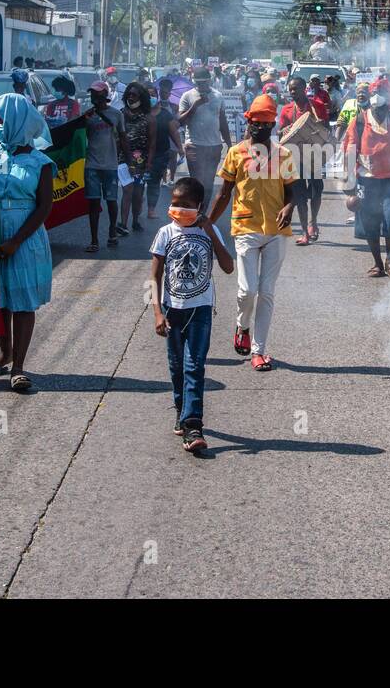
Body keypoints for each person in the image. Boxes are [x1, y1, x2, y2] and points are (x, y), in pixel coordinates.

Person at [208, 94, 298, 370]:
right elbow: (224, 193)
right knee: (248, 291)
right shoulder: (236, 153)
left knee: (267, 292)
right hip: (246, 226)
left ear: (273, 126)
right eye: (255, 124)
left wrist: (289, 207)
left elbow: (292, 192)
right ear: (248, 122)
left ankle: (259, 351)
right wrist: (207, 224)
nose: (259, 129)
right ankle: (241, 326)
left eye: (266, 124)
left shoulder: (283, 154)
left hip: (276, 231)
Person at [0, 94, 55, 393]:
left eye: (1, 119)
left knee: (21, 302)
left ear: (17, 123)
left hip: (25, 235)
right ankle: (3, 354)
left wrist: (16, 240)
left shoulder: (41, 162)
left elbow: (44, 207)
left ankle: (18, 366)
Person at [151, 177, 235, 452]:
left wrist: (210, 229)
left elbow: (227, 267)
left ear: (198, 206)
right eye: (175, 204)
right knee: (176, 366)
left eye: (185, 205)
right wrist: (157, 313)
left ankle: (192, 425)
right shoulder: (165, 233)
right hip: (173, 310)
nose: (178, 209)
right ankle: (181, 409)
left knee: (194, 366)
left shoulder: (208, 231)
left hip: (200, 310)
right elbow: (155, 276)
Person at [342, 77, 390, 277]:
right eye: (374, 96)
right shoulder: (359, 120)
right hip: (366, 180)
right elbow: (350, 151)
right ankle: (378, 262)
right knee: (370, 222)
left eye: (382, 97)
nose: (378, 108)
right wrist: (350, 184)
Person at [279, 77, 327, 245]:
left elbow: (327, 130)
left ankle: (313, 221)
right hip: (295, 157)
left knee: (316, 191)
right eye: (291, 89)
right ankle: (305, 232)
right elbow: (280, 134)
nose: (293, 92)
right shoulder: (286, 109)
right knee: (299, 196)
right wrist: (284, 130)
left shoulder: (317, 106)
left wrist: (322, 124)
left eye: (296, 89)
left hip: (314, 155)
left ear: (304, 88)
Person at [178, 67, 232, 214]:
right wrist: (195, 106)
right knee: (196, 182)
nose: (202, 86)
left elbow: (223, 121)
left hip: (213, 147)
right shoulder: (187, 96)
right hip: (194, 146)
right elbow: (180, 121)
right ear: (194, 82)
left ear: (209, 80)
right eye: (198, 83)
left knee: (208, 183)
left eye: (204, 82)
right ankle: (193, 212)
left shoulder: (218, 96)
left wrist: (229, 143)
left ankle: (202, 214)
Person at [82, 80, 125, 252]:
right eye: (92, 93)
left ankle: (112, 232)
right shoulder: (88, 116)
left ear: (105, 95)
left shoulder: (116, 114)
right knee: (93, 203)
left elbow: (123, 137)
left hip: (110, 165)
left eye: (98, 93)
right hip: (92, 164)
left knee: (111, 201)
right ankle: (94, 240)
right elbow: (80, 137)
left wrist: (128, 161)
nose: (94, 96)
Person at [119, 81, 156, 233]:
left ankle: (135, 221)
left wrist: (149, 162)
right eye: (129, 94)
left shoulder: (149, 118)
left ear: (141, 97)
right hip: (122, 158)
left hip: (141, 160)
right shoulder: (121, 114)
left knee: (138, 192)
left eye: (134, 95)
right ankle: (123, 224)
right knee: (127, 189)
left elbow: (152, 142)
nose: (131, 97)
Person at [149, 79, 181, 214]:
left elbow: (178, 122)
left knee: (172, 156)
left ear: (169, 93)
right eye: (162, 92)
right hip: (158, 135)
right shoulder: (152, 107)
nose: (164, 94)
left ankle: (171, 178)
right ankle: (162, 178)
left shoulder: (174, 107)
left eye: (166, 92)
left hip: (171, 133)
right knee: (162, 157)